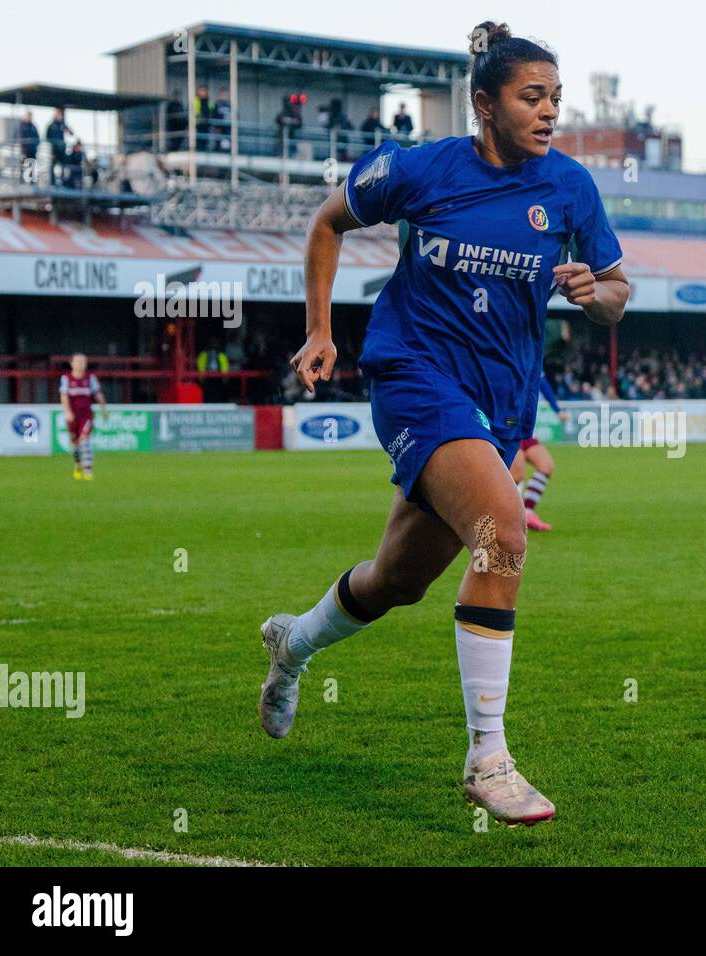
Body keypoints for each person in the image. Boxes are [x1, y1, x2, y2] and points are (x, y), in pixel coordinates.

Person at [257, 20, 628, 826]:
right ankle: (487, 758)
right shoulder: (421, 169)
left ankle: (294, 645)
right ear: (485, 104)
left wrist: (594, 294)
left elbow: (616, 291)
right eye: (532, 97)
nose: (550, 112)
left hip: (498, 407)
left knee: (397, 581)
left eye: (556, 98)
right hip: (414, 377)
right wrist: (321, 330)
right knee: (503, 530)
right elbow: (327, 223)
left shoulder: (569, 188)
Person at [510, 374, 567, 531]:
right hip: (510, 426)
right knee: (516, 475)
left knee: (546, 465)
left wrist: (557, 410)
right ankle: (504, 516)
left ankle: (527, 513)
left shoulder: (531, 357)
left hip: (525, 429)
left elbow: (542, 383)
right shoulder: (508, 359)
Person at [59, 353, 107, 480]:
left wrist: (104, 409)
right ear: (72, 363)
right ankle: (78, 464)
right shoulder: (66, 378)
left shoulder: (90, 378)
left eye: (83, 362)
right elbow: (64, 396)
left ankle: (88, 469)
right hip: (73, 416)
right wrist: (67, 412)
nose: (81, 364)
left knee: (85, 439)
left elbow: (97, 394)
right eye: (78, 361)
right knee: (75, 443)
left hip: (86, 415)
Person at [46, 108, 72, 186]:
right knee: (52, 166)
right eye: (57, 114)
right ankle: (52, 183)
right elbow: (47, 137)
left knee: (64, 166)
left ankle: (63, 183)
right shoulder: (51, 125)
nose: (58, 116)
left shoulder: (62, 124)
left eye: (59, 114)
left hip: (62, 150)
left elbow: (71, 133)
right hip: (54, 150)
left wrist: (67, 130)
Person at [16, 111, 39, 178]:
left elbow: (37, 137)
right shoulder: (21, 126)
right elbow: (19, 137)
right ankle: (21, 180)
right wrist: (23, 147)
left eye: (30, 116)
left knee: (32, 165)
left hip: (32, 150)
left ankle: (31, 181)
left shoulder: (33, 127)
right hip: (24, 150)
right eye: (28, 116)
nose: (29, 118)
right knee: (23, 164)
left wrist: (35, 145)